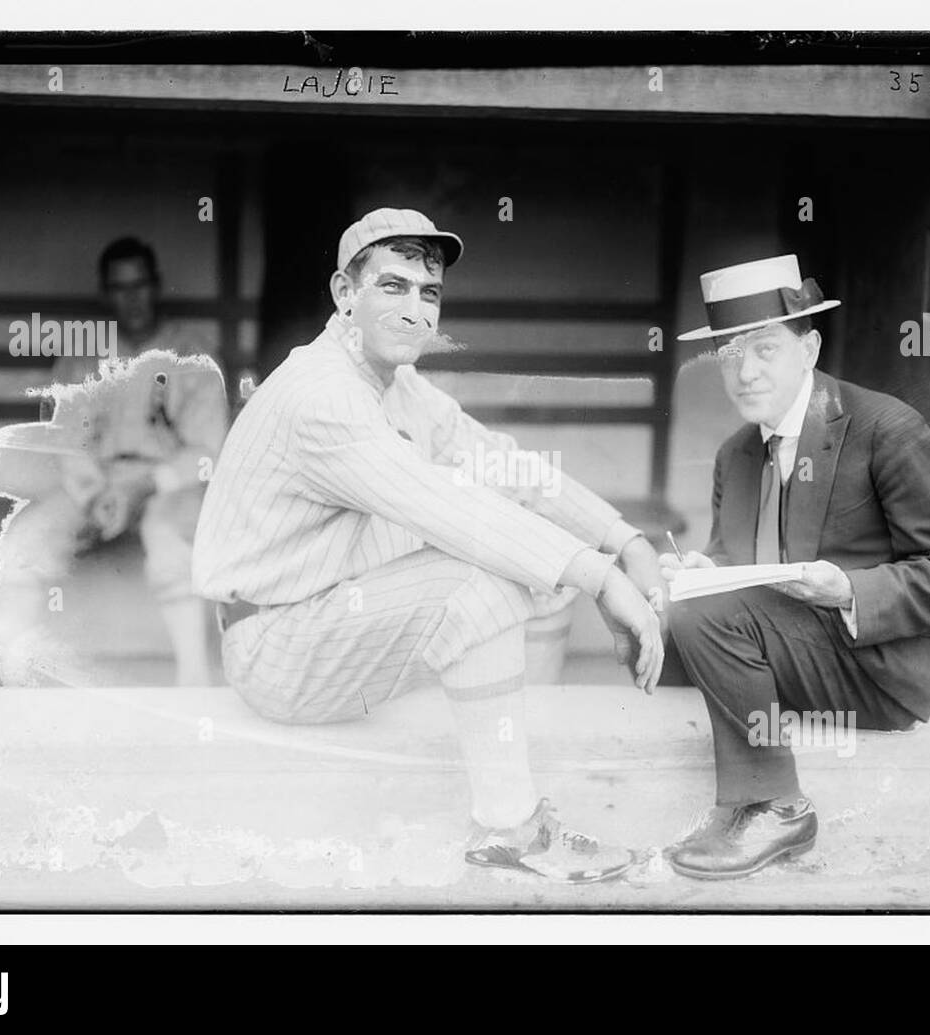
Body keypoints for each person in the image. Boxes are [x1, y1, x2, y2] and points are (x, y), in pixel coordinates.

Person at [192, 208, 666, 884]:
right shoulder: (323, 395)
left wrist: (624, 539)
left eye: (430, 293)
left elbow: (498, 463)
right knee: (486, 575)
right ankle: (511, 829)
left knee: (520, 565)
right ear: (342, 293)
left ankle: (511, 793)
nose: (416, 309)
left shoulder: (394, 383)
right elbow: (448, 508)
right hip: (273, 647)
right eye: (392, 286)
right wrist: (603, 578)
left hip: (322, 613)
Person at [658, 254, 930, 879]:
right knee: (671, 623)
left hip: (874, 665)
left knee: (701, 620)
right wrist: (702, 569)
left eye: (764, 349)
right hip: (792, 647)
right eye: (727, 353)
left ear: (809, 348)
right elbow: (736, 570)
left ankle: (776, 805)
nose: (744, 372)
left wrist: (848, 589)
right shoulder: (737, 455)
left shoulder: (886, 429)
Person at [0, 238, 228, 686]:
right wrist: (95, 494)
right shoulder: (84, 353)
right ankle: (12, 676)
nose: (132, 297)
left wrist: (141, 488)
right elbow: (65, 440)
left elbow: (207, 451)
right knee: (30, 536)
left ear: (157, 286)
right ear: (106, 293)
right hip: (97, 483)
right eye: (120, 287)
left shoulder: (193, 353)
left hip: (165, 484)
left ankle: (194, 679)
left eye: (141, 284)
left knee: (170, 538)